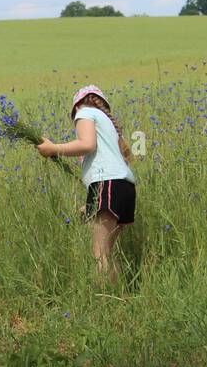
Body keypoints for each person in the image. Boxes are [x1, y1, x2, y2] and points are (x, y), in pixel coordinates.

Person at [36, 85, 136, 282]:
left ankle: (105, 302)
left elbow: (87, 144)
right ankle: (118, 299)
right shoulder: (108, 126)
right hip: (125, 187)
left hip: (107, 182)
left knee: (99, 253)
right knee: (107, 252)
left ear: (77, 106)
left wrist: (53, 148)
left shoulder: (85, 112)